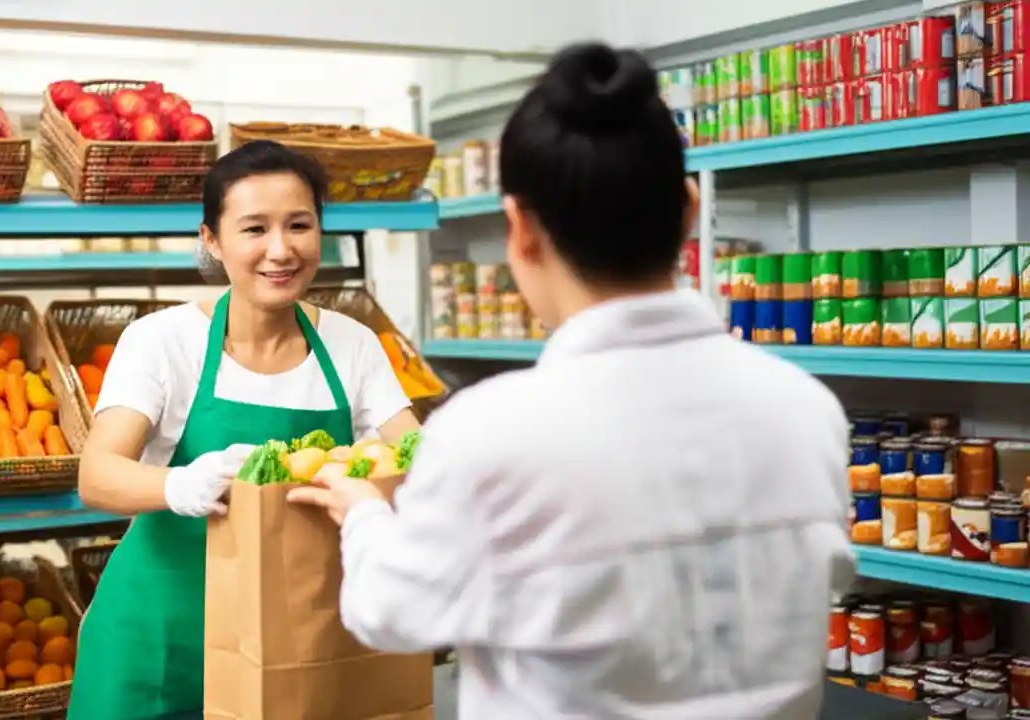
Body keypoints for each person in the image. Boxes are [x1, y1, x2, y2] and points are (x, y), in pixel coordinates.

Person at [288, 43, 854, 719]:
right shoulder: (805, 408)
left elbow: (392, 616)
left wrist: (368, 520)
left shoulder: (488, 431)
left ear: (519, 229)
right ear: (689, 208)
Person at [68, 140, 419, 720]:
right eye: (254, 228)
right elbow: (98, 476)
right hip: (160, 641)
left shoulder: (351, 344)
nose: (280, 250)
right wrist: (180, 486)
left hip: (290, 641)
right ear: (212, 240)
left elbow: (412, 453)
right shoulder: (162, 341)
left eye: (299, 225)